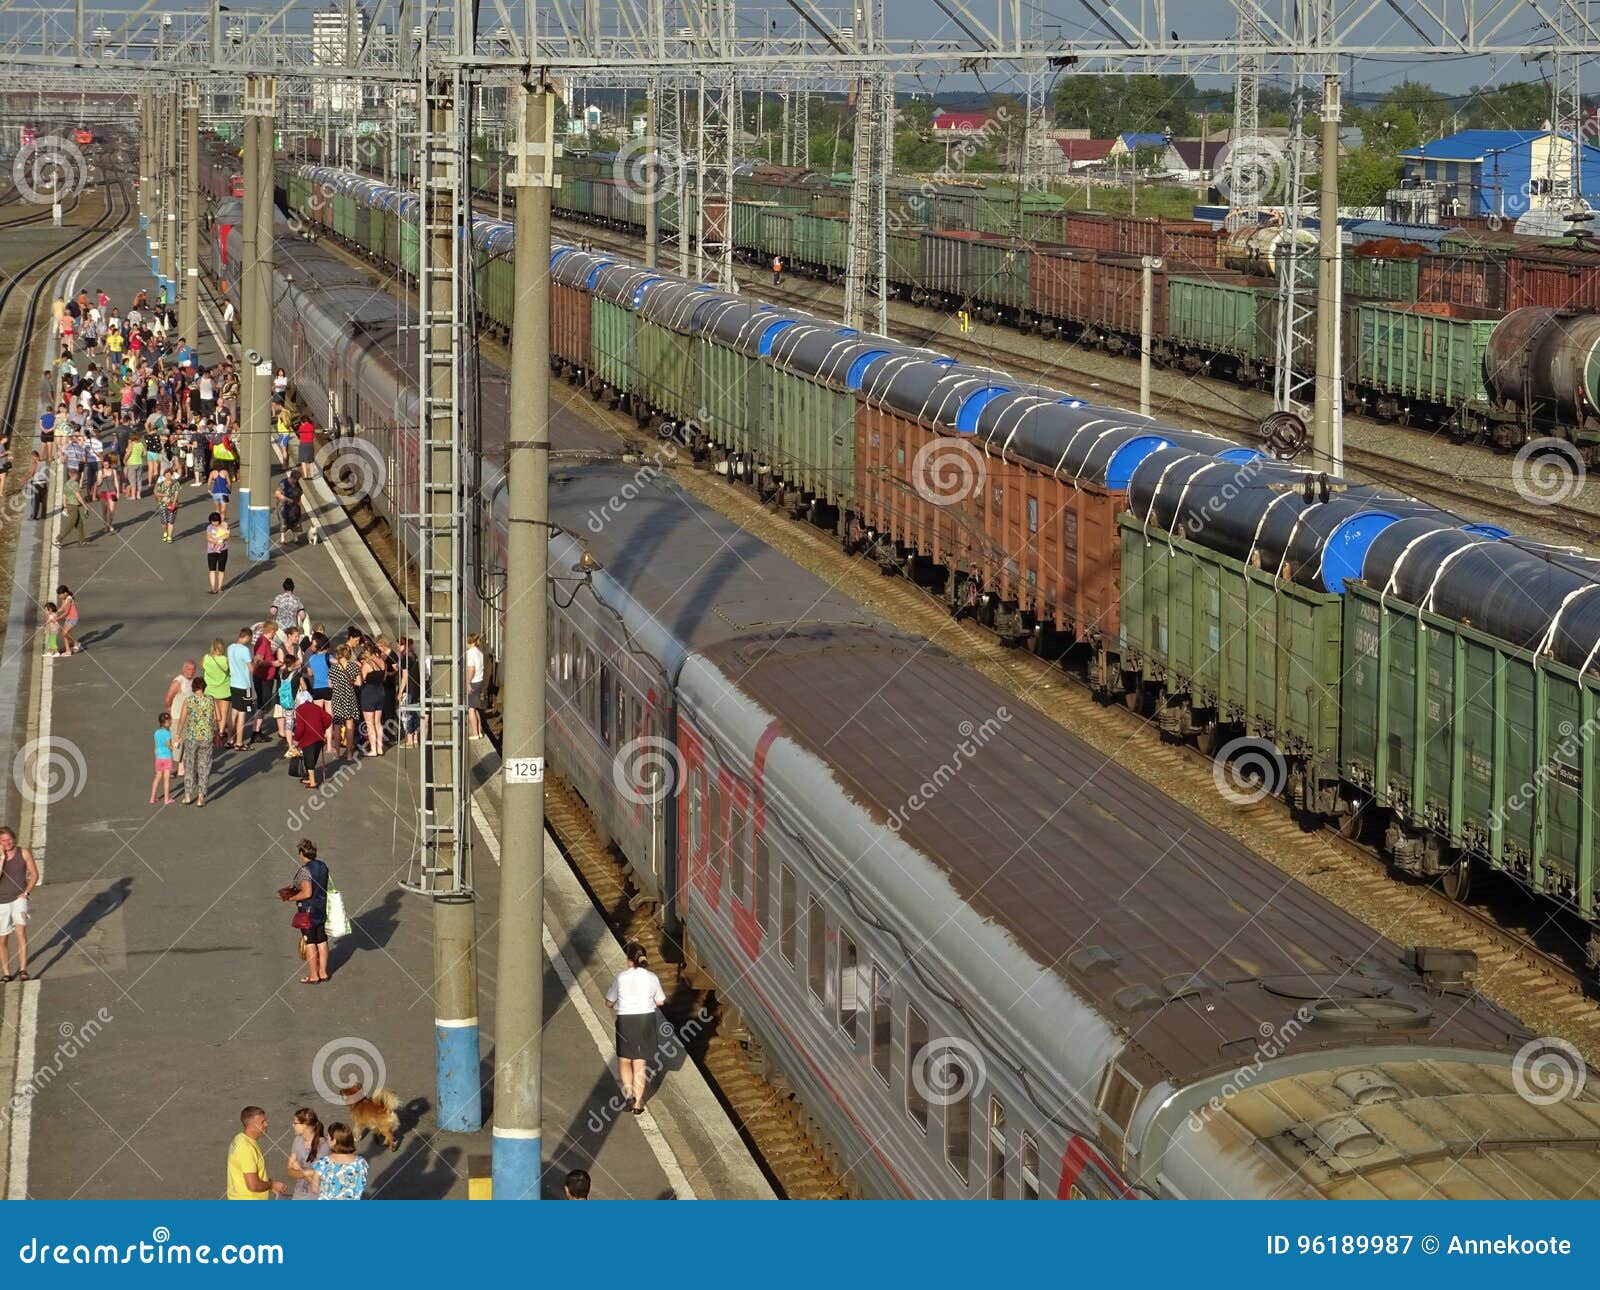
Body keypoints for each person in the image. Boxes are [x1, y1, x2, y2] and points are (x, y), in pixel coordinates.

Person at [604, 941, 666, 1115]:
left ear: (629, 960)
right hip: (646, 1020)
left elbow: (609, 1002)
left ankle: (629, 1094)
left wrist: (612, 1003)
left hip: (625, 1021)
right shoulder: (652, 977)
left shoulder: (621, 977)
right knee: (640, 1061)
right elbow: (660, 1001)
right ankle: (638, 1104)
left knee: (624, 1059)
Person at [279, 838, 330, 984]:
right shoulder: (323, 866)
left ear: (302, 853)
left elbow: (307, 893)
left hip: (308, 910)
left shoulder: (305, 870)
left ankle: (314, 975)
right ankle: (323, 972)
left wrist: (290, 898)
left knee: (310, 941)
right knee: (322, 939)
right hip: (321, 907)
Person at [0, 828, 39, 984]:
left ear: (14, 838)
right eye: (3, 840)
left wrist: (26, 893)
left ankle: (23, 969)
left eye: (9, 839)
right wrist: (2, 858)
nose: (7, 843)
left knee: (20, 931)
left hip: (18, 899)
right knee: (2, 940)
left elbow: (34, 874)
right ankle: (7, 973)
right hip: (1, 902)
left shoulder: (24, 853)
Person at [226, 1107, 285, 1199]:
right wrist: (271, 1185)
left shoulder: (239, 1138)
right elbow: (253, 1185)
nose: (266, 1124)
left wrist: (267, 1183)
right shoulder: (246, 1149)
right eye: (262, 1122)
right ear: (251, 1125)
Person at [180, 676, 217, 806]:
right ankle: (201, 798)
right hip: (206, 736)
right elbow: (218, 717)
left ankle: (188, 795)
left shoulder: (189, 700)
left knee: (190, 764)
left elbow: (182, 718)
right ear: (204, 687)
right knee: (204, 766)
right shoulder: (210, 699)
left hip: (191, 736)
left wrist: (179, 734)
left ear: (193, 687)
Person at [308, 1124, 367, 1198]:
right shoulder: (361, 1163)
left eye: (328, 1137)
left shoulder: (322, 1163)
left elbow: (315, 1189)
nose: (326, 1139)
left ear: (334, 1141)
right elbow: (360, 1187)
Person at [293, 677, 332, 789]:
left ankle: (313, 782)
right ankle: (308, 777)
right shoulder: (316, 707)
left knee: (309, 759)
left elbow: (300, 728)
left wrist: (296, 740)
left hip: (307, 738)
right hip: (318, 736)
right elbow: (328, 718)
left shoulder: (299, 710)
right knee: (312, 758)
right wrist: (323, 728)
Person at [285, 1108, 329, 1200]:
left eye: (295, 1123)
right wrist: (308, 1172)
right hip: (298, 1194)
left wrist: (300, 1170)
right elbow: (289, 1170)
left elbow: (318, 1184)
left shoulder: (323, 1146)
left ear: (305, 1125)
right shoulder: (297, 1140)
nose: (293, 1125)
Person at [226, 628, 254, 750]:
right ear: (247, 637)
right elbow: (251, 669)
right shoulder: (245, 650)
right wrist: (256, 662)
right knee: (242, 713)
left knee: (234, 712)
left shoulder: (230, 647)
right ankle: (239, 742)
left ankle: (230, 739)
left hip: (233, 684)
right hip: (244, 685)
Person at [330, 643, 358, 759]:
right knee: (349, 725)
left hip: (337, 697)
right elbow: (359, 683)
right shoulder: (353, 667)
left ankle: (337, 753)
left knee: (337, 725)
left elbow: (330, 684)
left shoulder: (334, 668)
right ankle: (349, 753)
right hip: (349, 697)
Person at [358, 647, 387, 757]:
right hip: (380, 691)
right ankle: (380, 748)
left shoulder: (367, 665)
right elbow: (384, 678)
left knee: (370, 724)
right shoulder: (383, 662)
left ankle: (373, 750)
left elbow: (361, 681)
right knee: (378, 722)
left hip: (369, 693)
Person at [202, 639, 232, 743]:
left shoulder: (206, 658)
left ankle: (212, 731)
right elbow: (230, 670)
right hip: (224, 689)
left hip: (210, 689)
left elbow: (203, 667)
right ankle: (221, 732)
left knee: (213, 713)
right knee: (224, 713)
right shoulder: (225, 659)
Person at [56, 471, 86, 547]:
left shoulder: (67, 483)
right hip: (74, 506)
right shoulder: (75, 484)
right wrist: (85, 505)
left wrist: (65, 506)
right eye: (77, 475)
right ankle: (58, 539)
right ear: (75, 475)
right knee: (70, 524)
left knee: (80, 524)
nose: (78, 476)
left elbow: (64, 496)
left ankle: (82, 541)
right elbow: (78, 496)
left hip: (69, 505)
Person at [150, 713, 175, 806]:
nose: (171, 722)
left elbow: (156, 747)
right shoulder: (167, 733)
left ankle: (152, 798)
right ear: (166, 723)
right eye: (170, 721)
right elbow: (169, 745)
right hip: (167, 758)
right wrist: (175, 746)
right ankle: (166, 799)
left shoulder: (156, 732)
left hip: (159, 758)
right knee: (166, 779)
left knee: (157, 777)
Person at [465, 633, 485, 739]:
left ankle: (474, 733)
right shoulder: (479, 652)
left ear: (470, 642)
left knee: (471, 708)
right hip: (479, 681)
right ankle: (479, 731)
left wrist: (468, 682)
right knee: (475, 708)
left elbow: (471, 668)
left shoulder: (470, 653)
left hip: (473, 681)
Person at [205, 510, 230, 595]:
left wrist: (221, 540)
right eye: (212, 521)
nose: (214, 523)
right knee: (212, 569)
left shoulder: (224, 525)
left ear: (219, 520)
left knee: (221, 569)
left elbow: (227, 535)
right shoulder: (209, 527)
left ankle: (219, 587)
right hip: (212, 551)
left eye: (216, 521)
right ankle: (212, 587)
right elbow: (208, 538)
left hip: (223, 550)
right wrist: (217, 542)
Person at [153, 465, 180, 542]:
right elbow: (156, 493)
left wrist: (174, 502)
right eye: (166, 474)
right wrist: (163, 495)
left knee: (171, 521)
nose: (168, 476)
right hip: (163, 504)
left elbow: (177, 493)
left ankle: (169, 537)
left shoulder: (175, 483)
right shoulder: (161, 483)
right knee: (164, 522)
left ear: (171, 475)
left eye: (169, 474)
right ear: (164, 475)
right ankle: (165, 532)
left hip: (172, 504)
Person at [55, 585, 79, 655]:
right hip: (68, 618)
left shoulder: (69, 599)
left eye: (60, 595)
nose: (59, 597)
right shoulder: (63, 599)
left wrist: (57, 618)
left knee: (65, 633)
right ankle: (68, 650)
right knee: (64, 633)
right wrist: (55, 612)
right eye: (58, 595)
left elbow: (66, 612)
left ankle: (75, 643)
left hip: (73, 618)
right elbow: (62, 608)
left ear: (65, 593)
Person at [26, 452, 48, 521]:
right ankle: (43, 515)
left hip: (37, 484)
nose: (32, 459)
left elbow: (31, 474)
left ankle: (34, 516)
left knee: (36, 501)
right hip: (44, 483)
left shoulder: (35, 463)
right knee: (44, 500)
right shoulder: (44, 462)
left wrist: (24, 480)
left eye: (33, 457)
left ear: (35, 456)